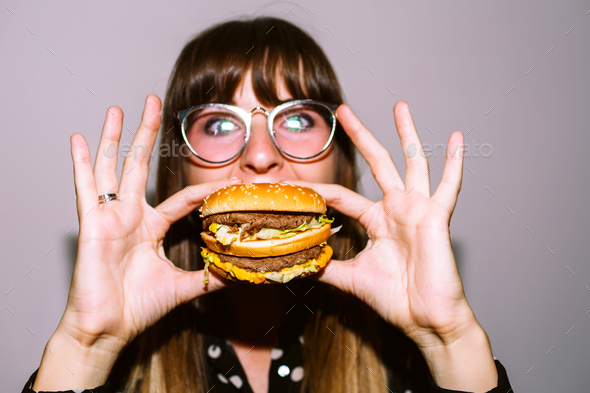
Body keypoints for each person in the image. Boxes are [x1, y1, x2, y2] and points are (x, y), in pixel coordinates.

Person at [22, 16, 512, 393]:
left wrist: (451, 340)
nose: (261, 154)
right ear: (181, 170)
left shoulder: (403, 365)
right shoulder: (119, 370)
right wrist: (86, 346)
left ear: (338, 164)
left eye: (297, 120)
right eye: (218, 123)